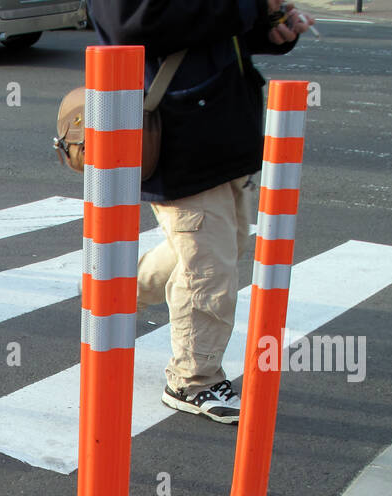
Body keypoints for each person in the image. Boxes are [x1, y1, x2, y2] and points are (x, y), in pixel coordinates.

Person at [90, 0, 313, 424]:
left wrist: (270, 26)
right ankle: (192, 380)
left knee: (219, 246)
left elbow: (218, 34)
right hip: (178, 136)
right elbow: (130, 22)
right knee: (209, 266)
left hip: (221, 132)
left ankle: (118, 288)